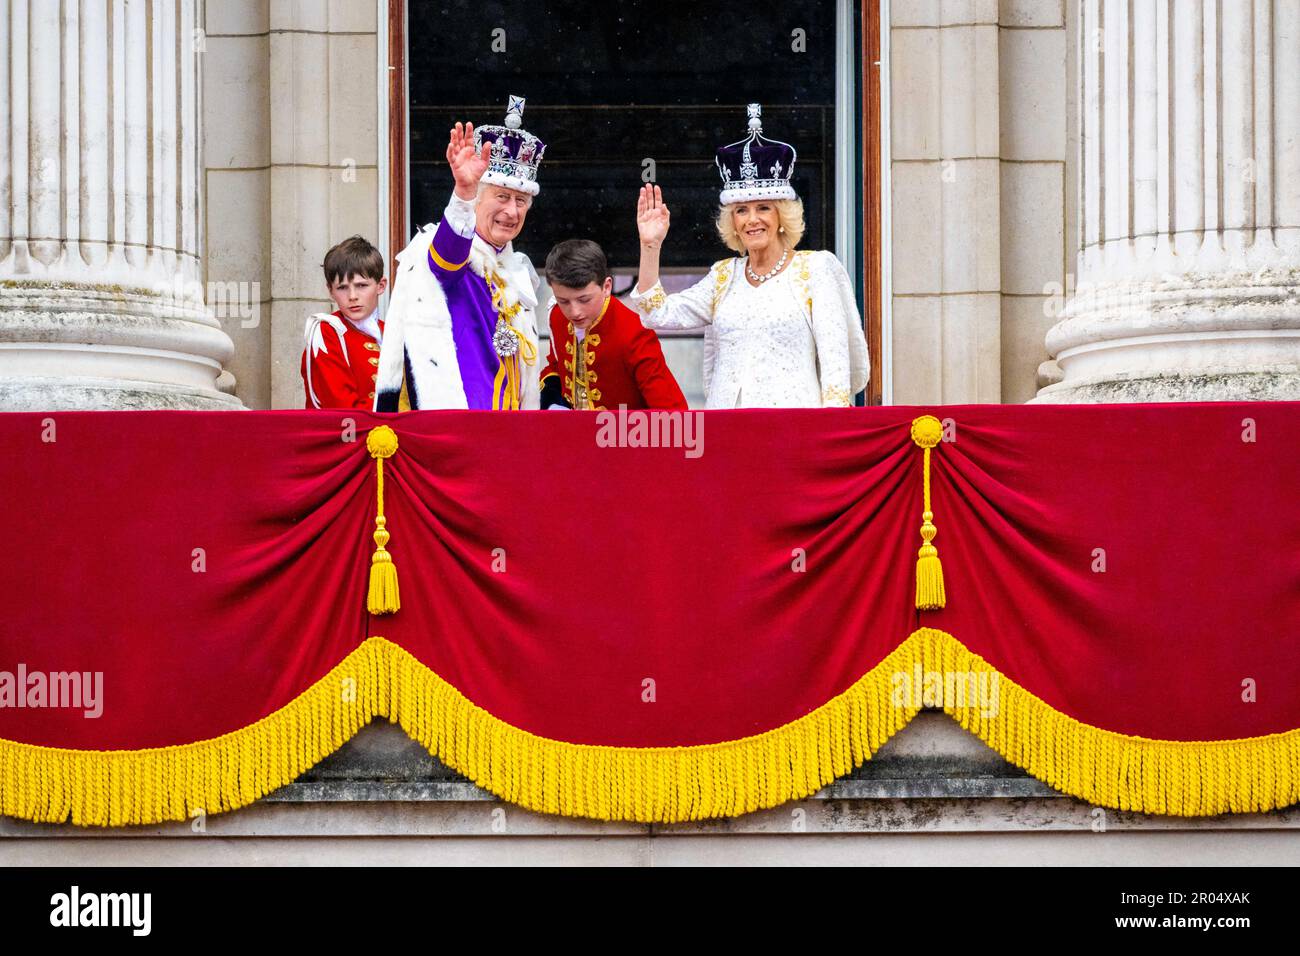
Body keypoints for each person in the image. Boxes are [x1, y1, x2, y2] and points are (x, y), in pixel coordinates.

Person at [628, 103, 869, 408]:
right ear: (733, 222)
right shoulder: (723, 276)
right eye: (742, 210)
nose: (752, 219)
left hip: (794, 431)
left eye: (763, 208)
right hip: (731, 433)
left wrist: (828, 438)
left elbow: (836, 370)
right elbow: (656, 313)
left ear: (782, 215)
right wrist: (650, 246)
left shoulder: (815, 269)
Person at [374, 95, 545, 410]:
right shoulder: (453, 252)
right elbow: (446, 258)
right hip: (460, 429)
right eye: (502, 196)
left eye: (521, 201)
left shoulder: (516, 273)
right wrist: (463, 194)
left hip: (510, 433)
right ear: (478, 200)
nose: (511, 210)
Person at [539, 240, 687, 411]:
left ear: (607, 287)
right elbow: (556, 365)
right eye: (563, 301)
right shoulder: (556, 315)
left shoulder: (634, 332)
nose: (574, 312)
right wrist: (551, 401)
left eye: (584, 299)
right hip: (571, 432)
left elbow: (672, 412)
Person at [300, 236, 388, 410]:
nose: (352, 296)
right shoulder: (326, 332)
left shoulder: (392, 333)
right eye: (342, 287)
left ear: (381, 286)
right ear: (331, 291)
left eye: (362, 285)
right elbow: (341, 407)